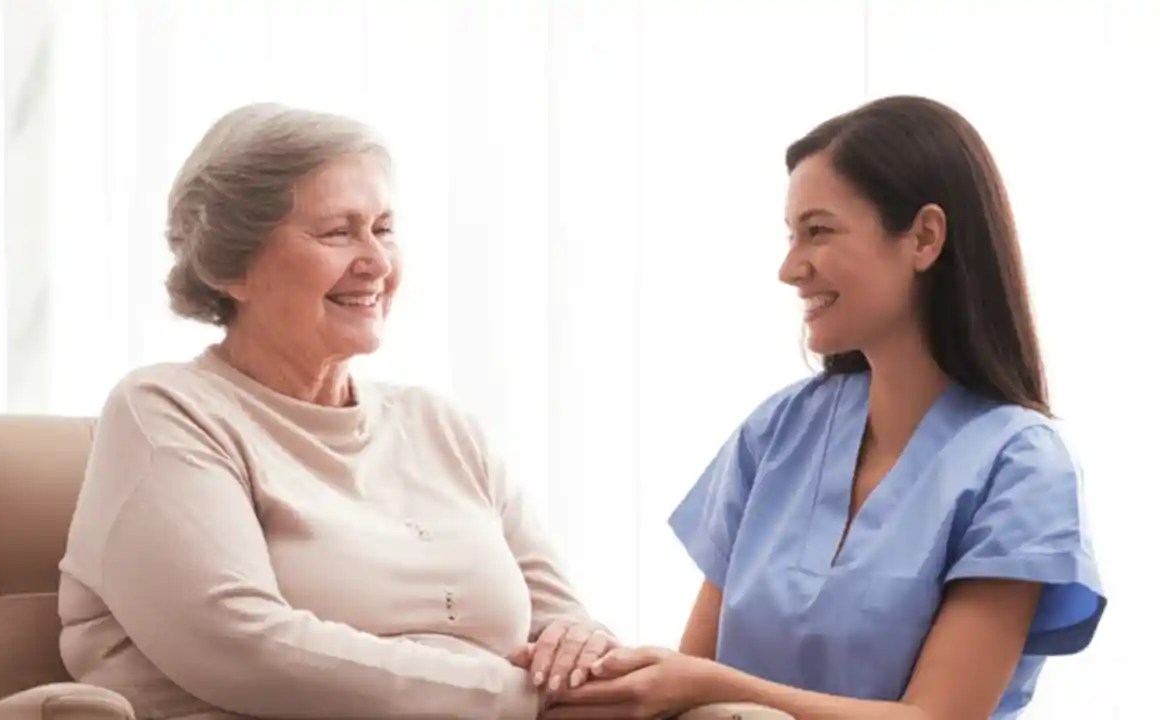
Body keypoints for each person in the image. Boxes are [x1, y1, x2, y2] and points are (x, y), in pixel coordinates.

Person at [542, 96, 1106, 719]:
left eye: (818, 231)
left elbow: (938, 718)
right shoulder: (780, 432)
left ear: (923, 237)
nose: (790, 268)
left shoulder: (1020, 466)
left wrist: (712, 688)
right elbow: (682, 685)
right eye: (792, 236)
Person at [57, 103, 612, 720]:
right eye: (338, 232)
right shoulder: (166, 412)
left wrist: (588, 657)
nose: (376, 261)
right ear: (230, 265)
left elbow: (567, 627)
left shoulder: (440, 425)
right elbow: (242, 647)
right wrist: (519, 697)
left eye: (385, 227)